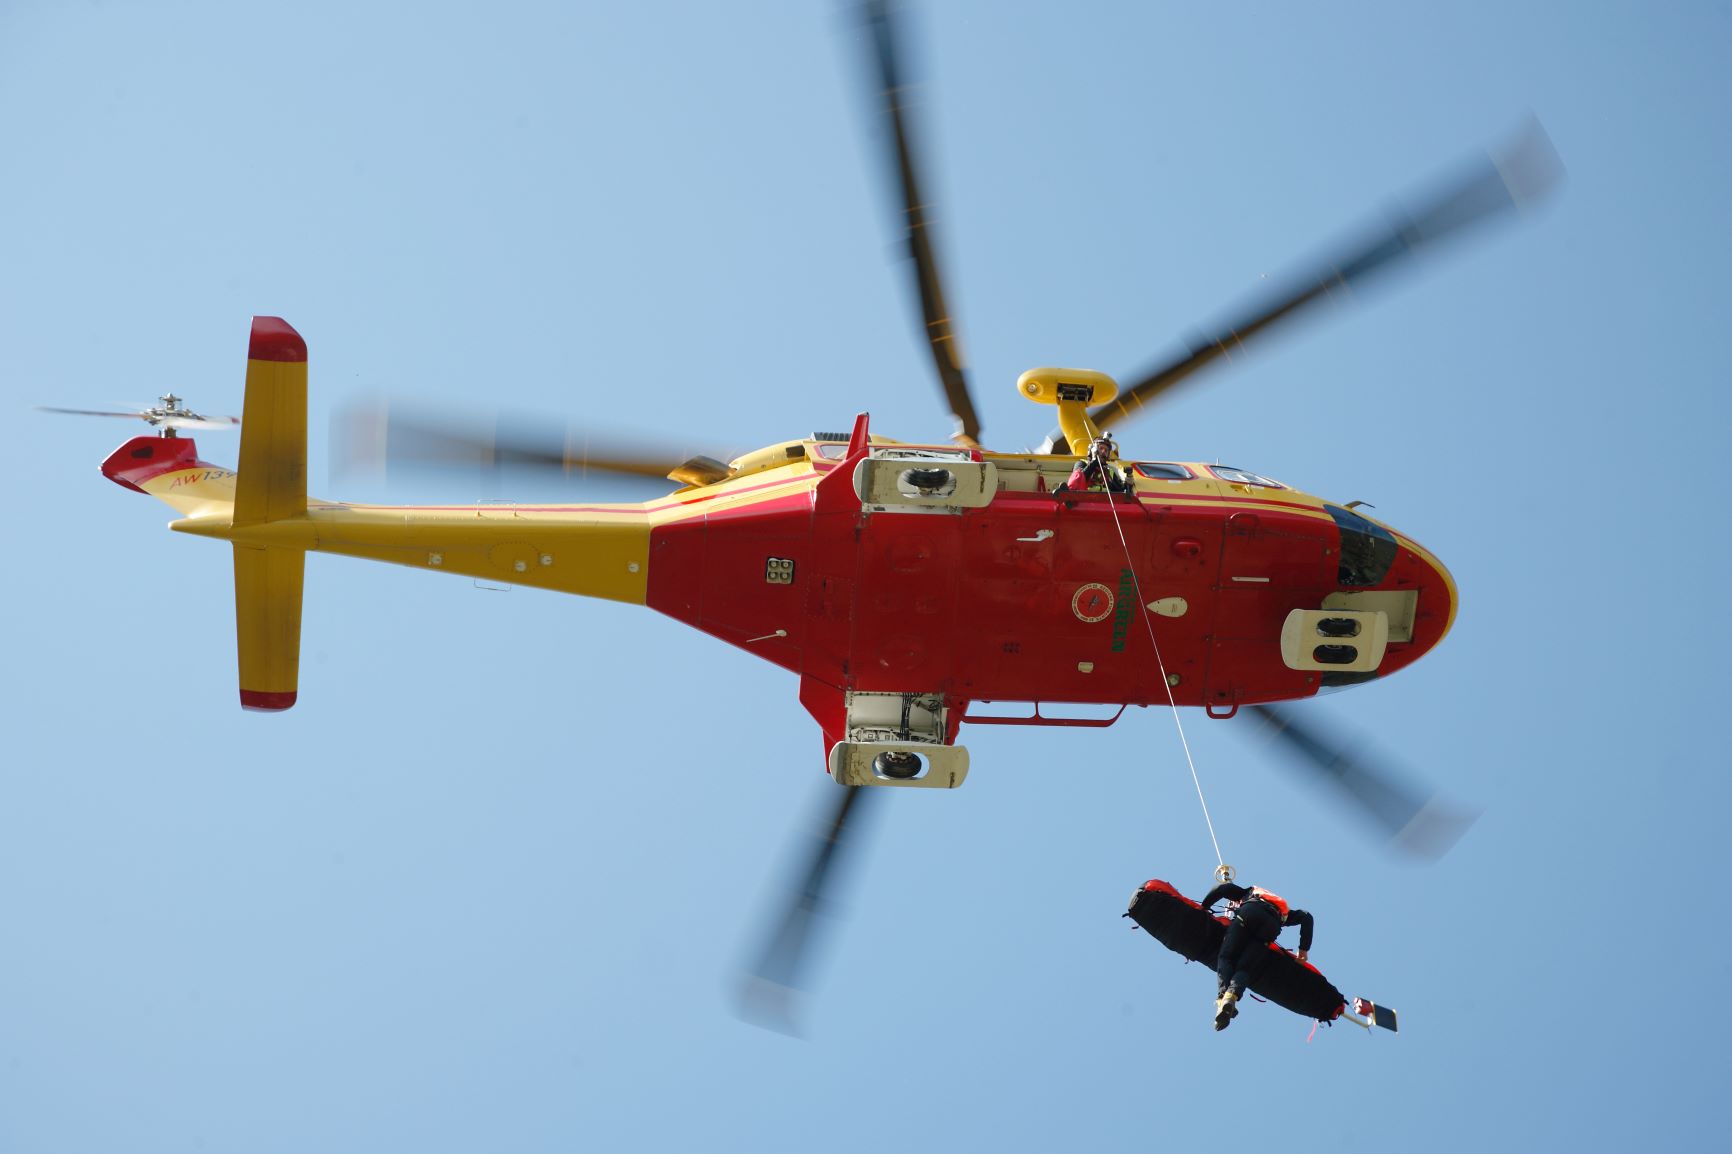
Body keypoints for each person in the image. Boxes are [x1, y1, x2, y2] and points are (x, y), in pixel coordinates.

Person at [1196, 881, 1315, 1031]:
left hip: (1249, 912)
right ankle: (1231, 996)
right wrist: (1303, 949)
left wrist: (1204, 907)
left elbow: (1222, 888)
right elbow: (1307, 917)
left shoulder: (1248, 892)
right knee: (1244, 968)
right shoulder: (1284, 910)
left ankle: (1222, 998)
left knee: (1226, 957)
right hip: (1271, 925)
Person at [1057, 434, 1130, 494]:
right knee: (1078, 474)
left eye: (1106, 450)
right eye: (1101, 448)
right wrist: (1094, 462)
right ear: (1092, 450)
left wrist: (1128, 484)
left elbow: (1119, 491)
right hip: (1084, 499)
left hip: (1105, 503)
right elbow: (1080, 479)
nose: (1103, 452)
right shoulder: (1082, 463)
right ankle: (1070, 495)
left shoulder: (1110, 472)